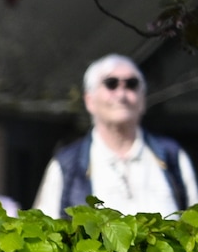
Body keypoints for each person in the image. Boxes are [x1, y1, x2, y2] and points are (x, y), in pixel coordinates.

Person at [32, 55, 196, 216]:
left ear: (142, 100)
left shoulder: (172, 156)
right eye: (111, 84)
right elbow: (46, 231)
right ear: (89, 100)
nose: (121, 94)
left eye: (132, 85)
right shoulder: (66, 165)